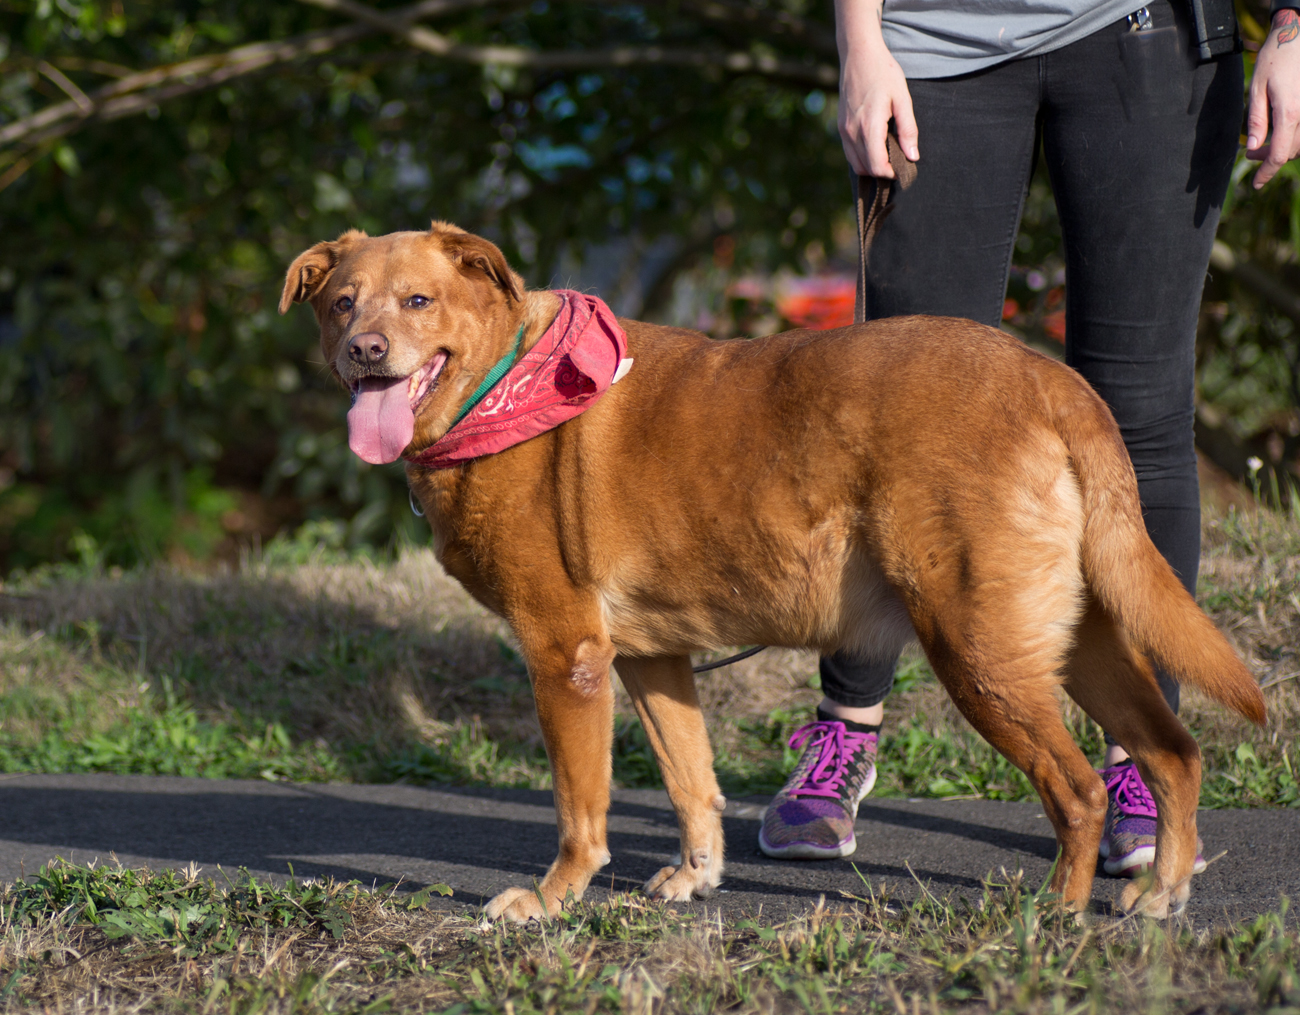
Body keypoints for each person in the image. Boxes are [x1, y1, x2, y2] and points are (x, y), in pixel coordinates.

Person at [759, 0, 1300, 875]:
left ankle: (1137, 758)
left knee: (1140, 413)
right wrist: (860, 47)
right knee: (896, 416)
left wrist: (1292, 25)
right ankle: (846, 731)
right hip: (930, 48)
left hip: (1143, 35)